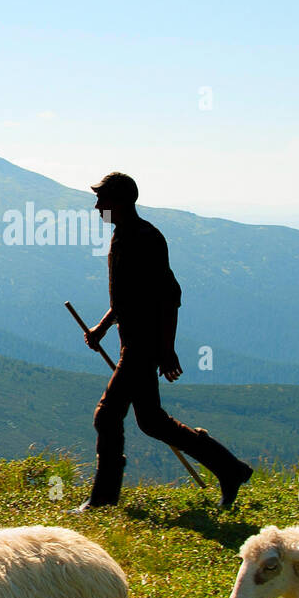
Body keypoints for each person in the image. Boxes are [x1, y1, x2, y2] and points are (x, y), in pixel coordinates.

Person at [75, 171, 252, 511]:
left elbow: (170, 295)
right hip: (134, 344)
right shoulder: (123, 236)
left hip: (142, 347)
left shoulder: (145, 238)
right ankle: (231, 469)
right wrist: (102, 328)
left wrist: (166, 350)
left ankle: (103, 498)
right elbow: (126, 298)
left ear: (121, 202)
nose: (97, 206)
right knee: (152, 421)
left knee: (107, 416)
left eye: (103, 200)